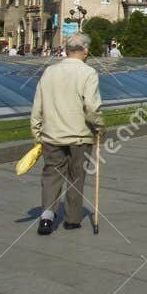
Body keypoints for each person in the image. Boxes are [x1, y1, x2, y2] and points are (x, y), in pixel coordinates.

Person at [30, 31, 103, 235]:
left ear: (66, 50)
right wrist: (99, 126)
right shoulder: (88, 73)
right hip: (79, 135)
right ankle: (72, 219)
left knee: (52, 174)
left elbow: (38, 105)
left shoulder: (49, 72)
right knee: (76, 176)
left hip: (52, 134)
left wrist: (37, 132)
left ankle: (46, 217)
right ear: (86, 50)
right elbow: (91, 106)